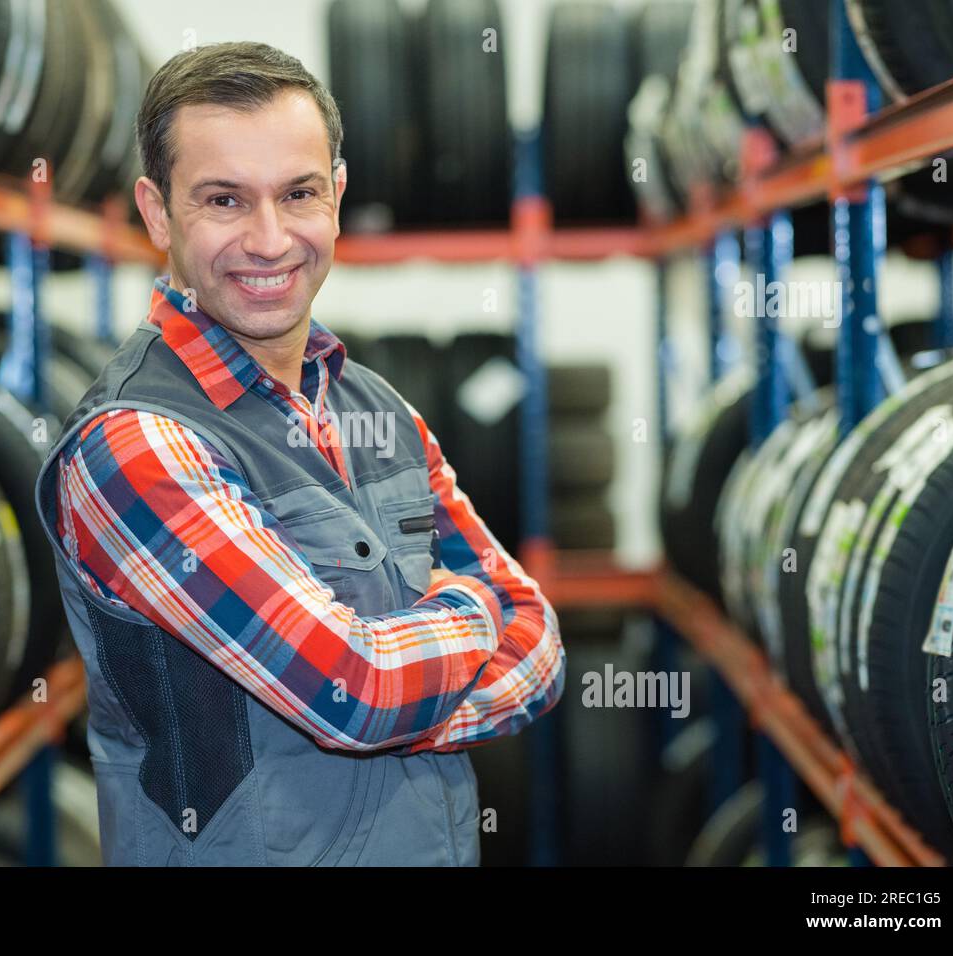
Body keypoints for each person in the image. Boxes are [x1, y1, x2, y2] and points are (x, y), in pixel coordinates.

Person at [33, 40, 564, 866]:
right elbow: (360, 696)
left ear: (338, 197)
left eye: (299, 193)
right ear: (157, 211)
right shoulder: (137, 445)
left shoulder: (378, 409)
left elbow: (543, 644)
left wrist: (407, 696)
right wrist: (470, 613)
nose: (271, 239)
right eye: (224, 200)